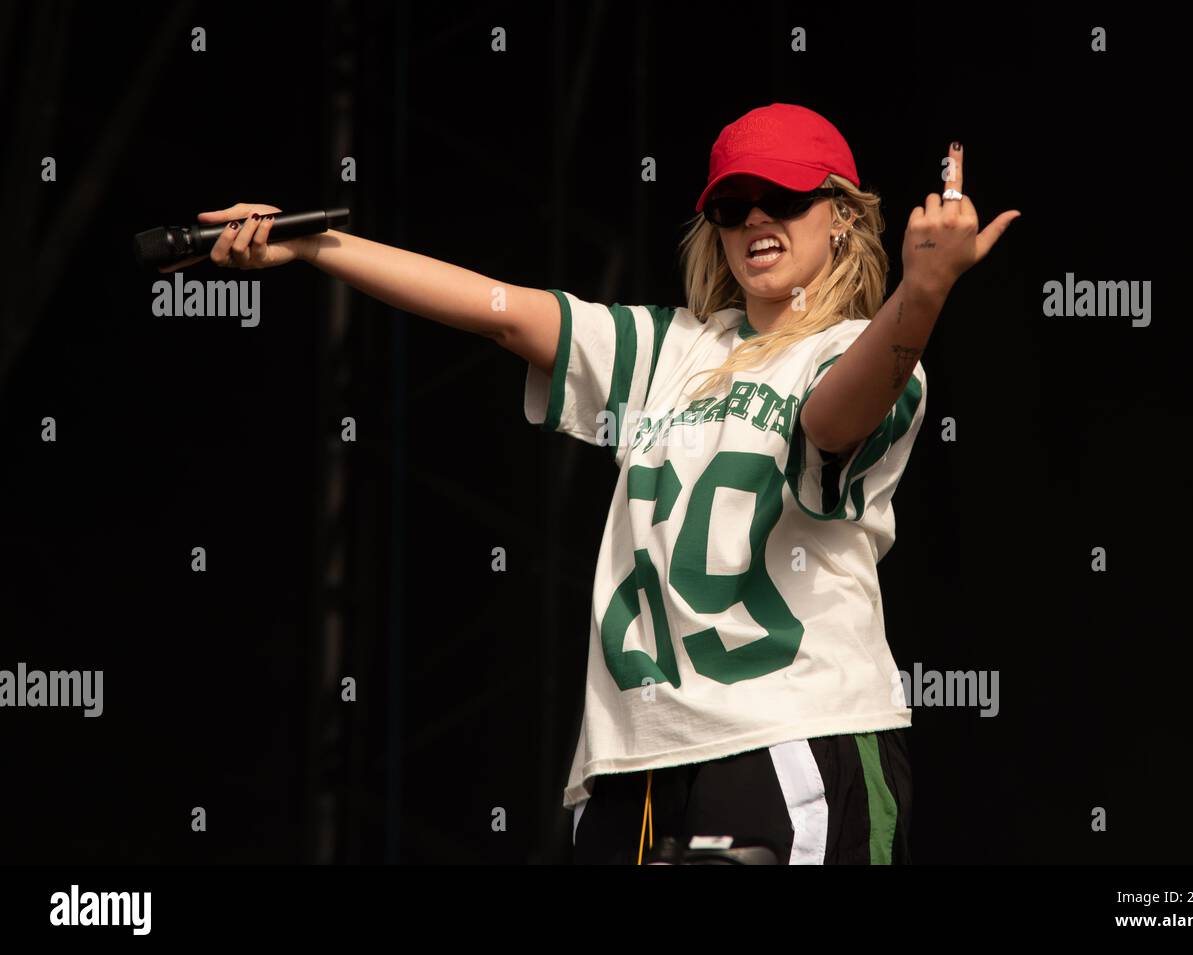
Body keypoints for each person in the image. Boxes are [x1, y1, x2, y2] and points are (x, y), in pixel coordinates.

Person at [165, 102, 1019, 865]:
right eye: (731, 204)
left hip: (788, 735)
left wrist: (923, 290)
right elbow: (494, 306)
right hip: (627, 767)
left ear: (841, 215)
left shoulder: (862, 351)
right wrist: (312, 243)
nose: (755, 217)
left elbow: (831, 424)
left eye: (784, 197)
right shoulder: (669, 349)